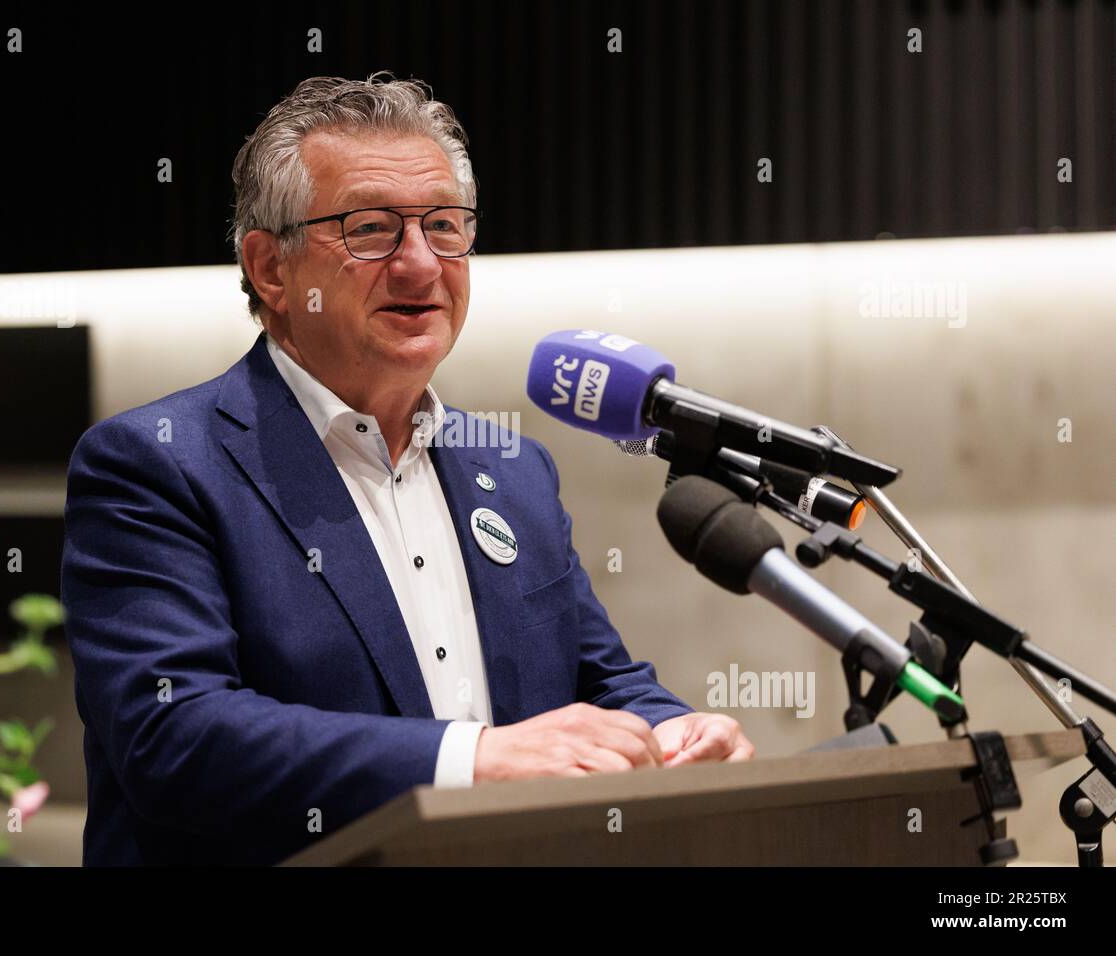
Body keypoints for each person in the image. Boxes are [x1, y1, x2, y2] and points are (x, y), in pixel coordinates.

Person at [62, 73, 752, 866]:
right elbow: (172, 736)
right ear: (271, 269)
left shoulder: (513, 468)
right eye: (371, 230)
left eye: (444, 226)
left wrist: (674, 731)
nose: (421, 264)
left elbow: (597, 677)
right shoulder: (158, 463)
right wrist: (470, 761)